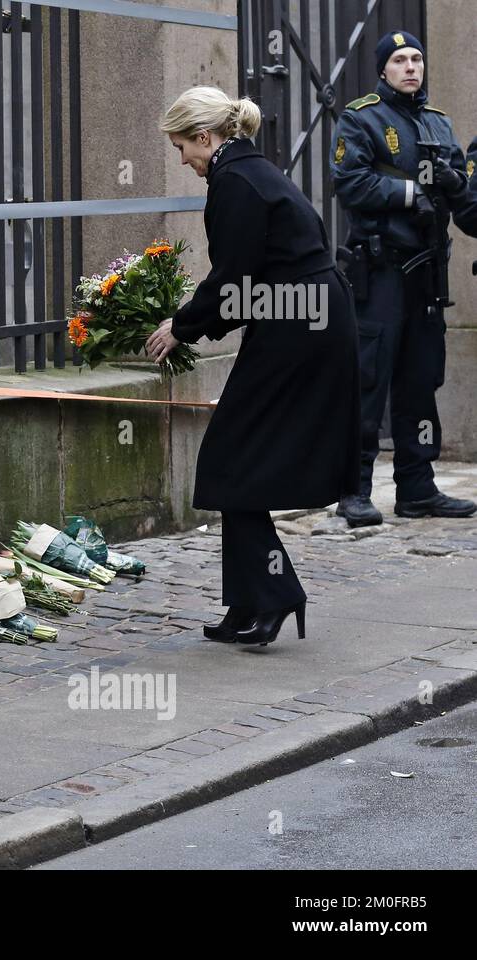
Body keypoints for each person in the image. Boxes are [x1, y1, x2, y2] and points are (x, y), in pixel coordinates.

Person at [145, 86, 360, 647]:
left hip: (299, 326)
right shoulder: (250, 170)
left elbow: (233, 278)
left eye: (180, 147)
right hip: (305, 319)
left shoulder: (233, 182)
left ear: (204, 136)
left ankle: (271, 596)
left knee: (229, 462)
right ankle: (252, 601)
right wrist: (201, 319)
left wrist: (182, 325)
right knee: (233, 464)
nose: (182, 160)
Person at [329, 31, 476, 527]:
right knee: (369, 381)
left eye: (416, 59)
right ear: (383, 70)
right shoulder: (361, 117)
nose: (411, 67)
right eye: (399, 60)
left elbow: (464, 202)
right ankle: (354, 490)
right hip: (382, 270)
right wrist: (411, 191)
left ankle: (418, 489)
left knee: (421, 382)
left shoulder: (439, 122)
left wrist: (455, 183)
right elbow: (349, 183)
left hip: (428, 274)